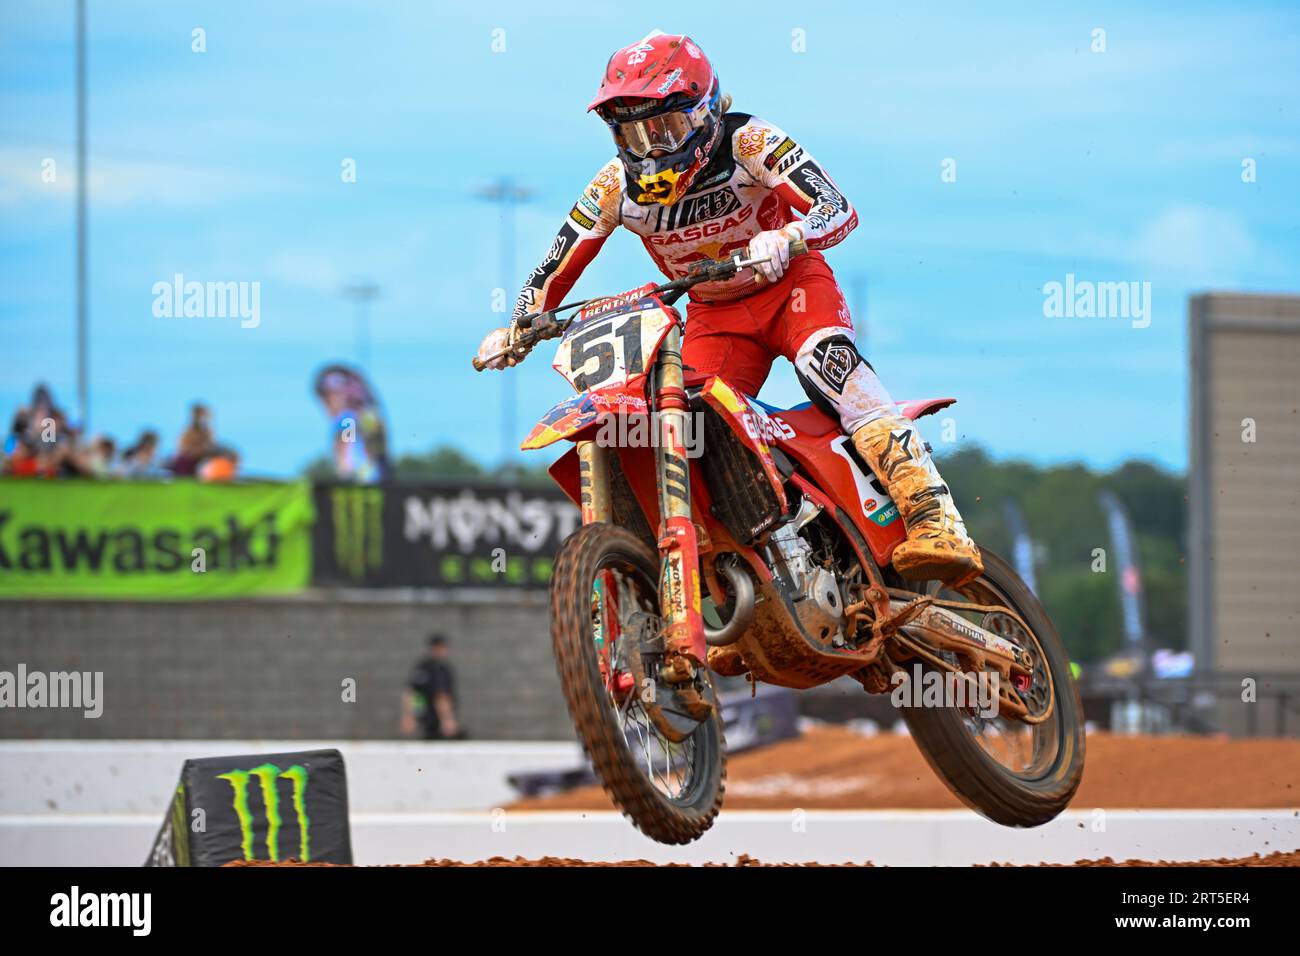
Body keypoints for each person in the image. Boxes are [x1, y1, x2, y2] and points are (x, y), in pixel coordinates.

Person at [477, 32, 982, 586]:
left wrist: (790, 234)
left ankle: (934, 516)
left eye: (664, 128)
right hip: (715, 315)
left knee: (828, 363)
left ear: (704, 110)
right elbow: (556, 265)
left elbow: (838, 207)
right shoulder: (613, 186)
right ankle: (742, 586)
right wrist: (519, 326)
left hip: (791, 288)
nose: (650, 150)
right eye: (631, 133)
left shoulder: (751, 141)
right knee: (691, 424)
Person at [402, 634, 464, 740]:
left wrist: (412, 715)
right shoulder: (438, 669)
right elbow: (440, 697)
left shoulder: (424, 667)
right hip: (437, 723)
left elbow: (415, 694)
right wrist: (447, 719)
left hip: (428, 721)